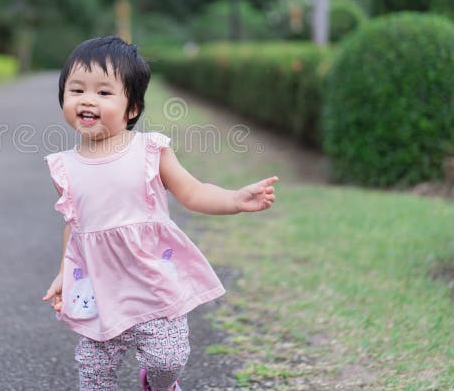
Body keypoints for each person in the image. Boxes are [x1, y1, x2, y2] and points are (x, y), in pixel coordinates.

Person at [42, 36, 278, 391]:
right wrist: (65, 271)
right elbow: (75, 225)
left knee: (167, 361)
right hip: (100, 285)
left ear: (132, 108)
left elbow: (193, 192)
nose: (88, 99)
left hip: (153, 280)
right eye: (77, 90)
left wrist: (234, 199)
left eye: (104, 93)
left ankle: (157, 383)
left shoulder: (150, 151)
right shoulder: (65, 168)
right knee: (93, 373)